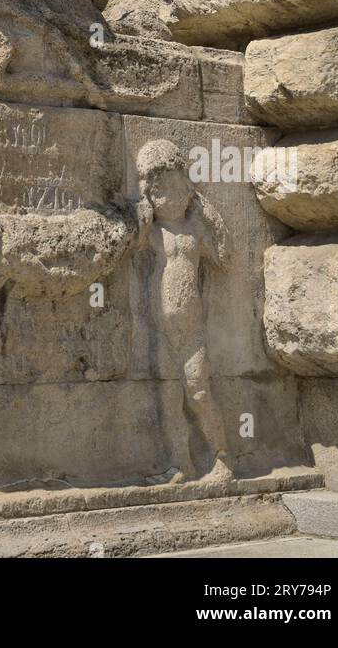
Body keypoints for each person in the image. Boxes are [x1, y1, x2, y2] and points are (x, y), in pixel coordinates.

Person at [136, 139, 231, 485]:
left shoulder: (192, 231)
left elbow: (223, 256)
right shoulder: (151, 230)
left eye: (166, 182)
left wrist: (208, 211)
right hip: (161, 329)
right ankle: (180, 464)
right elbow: (128, 242)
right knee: (169, 397)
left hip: (192, 329)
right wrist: (140, 213)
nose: (159, 192)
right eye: (153, 185)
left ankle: (222, 458)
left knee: (199, 391)